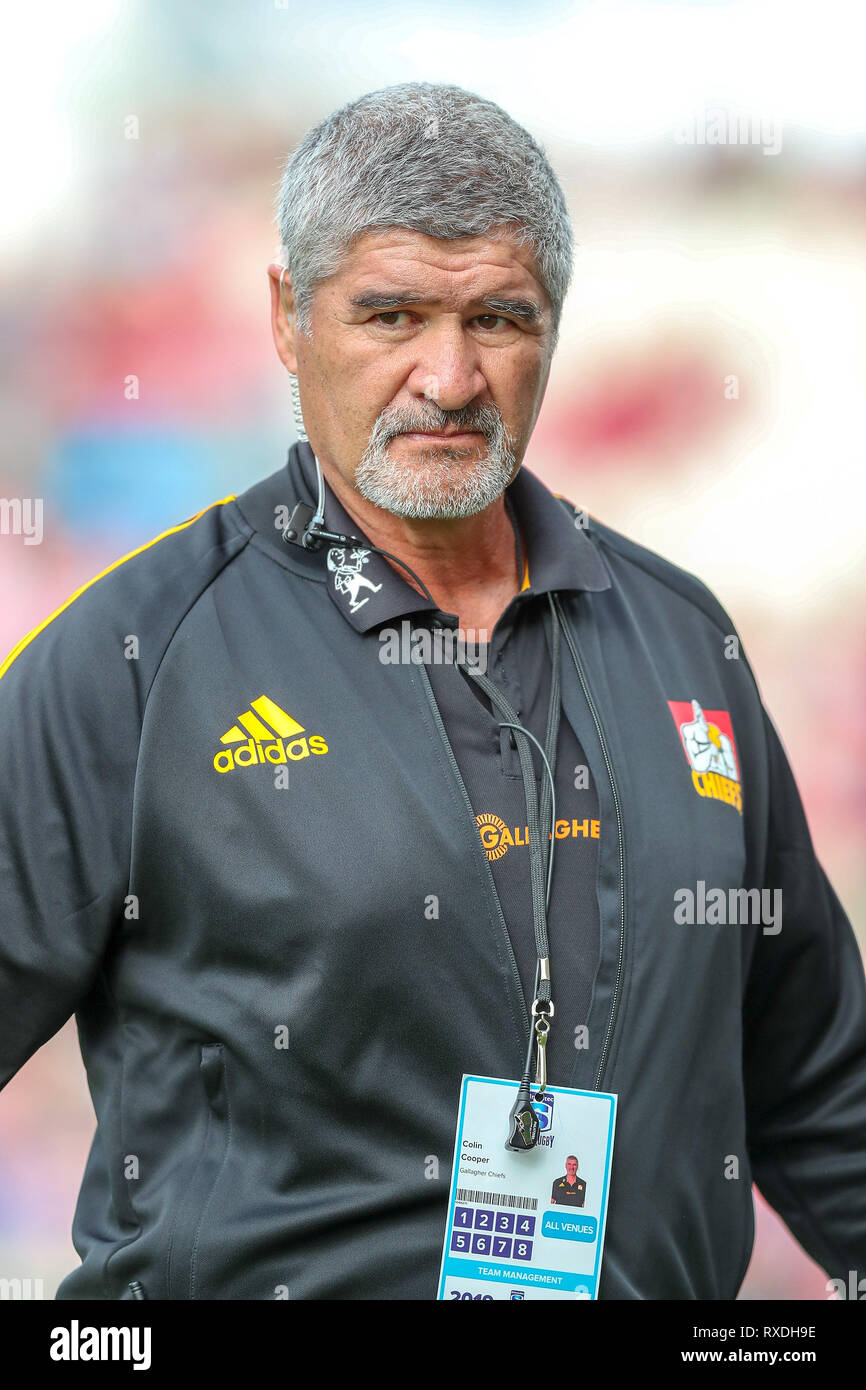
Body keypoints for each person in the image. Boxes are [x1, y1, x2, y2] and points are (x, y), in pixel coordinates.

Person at [1, 82, 864, 1302]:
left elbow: (820, 1084)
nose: (448, 377)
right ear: (287, 319)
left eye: (498, 319)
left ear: (555, 327)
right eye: (390, 313)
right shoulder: (133, 658)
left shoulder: (682, 640)